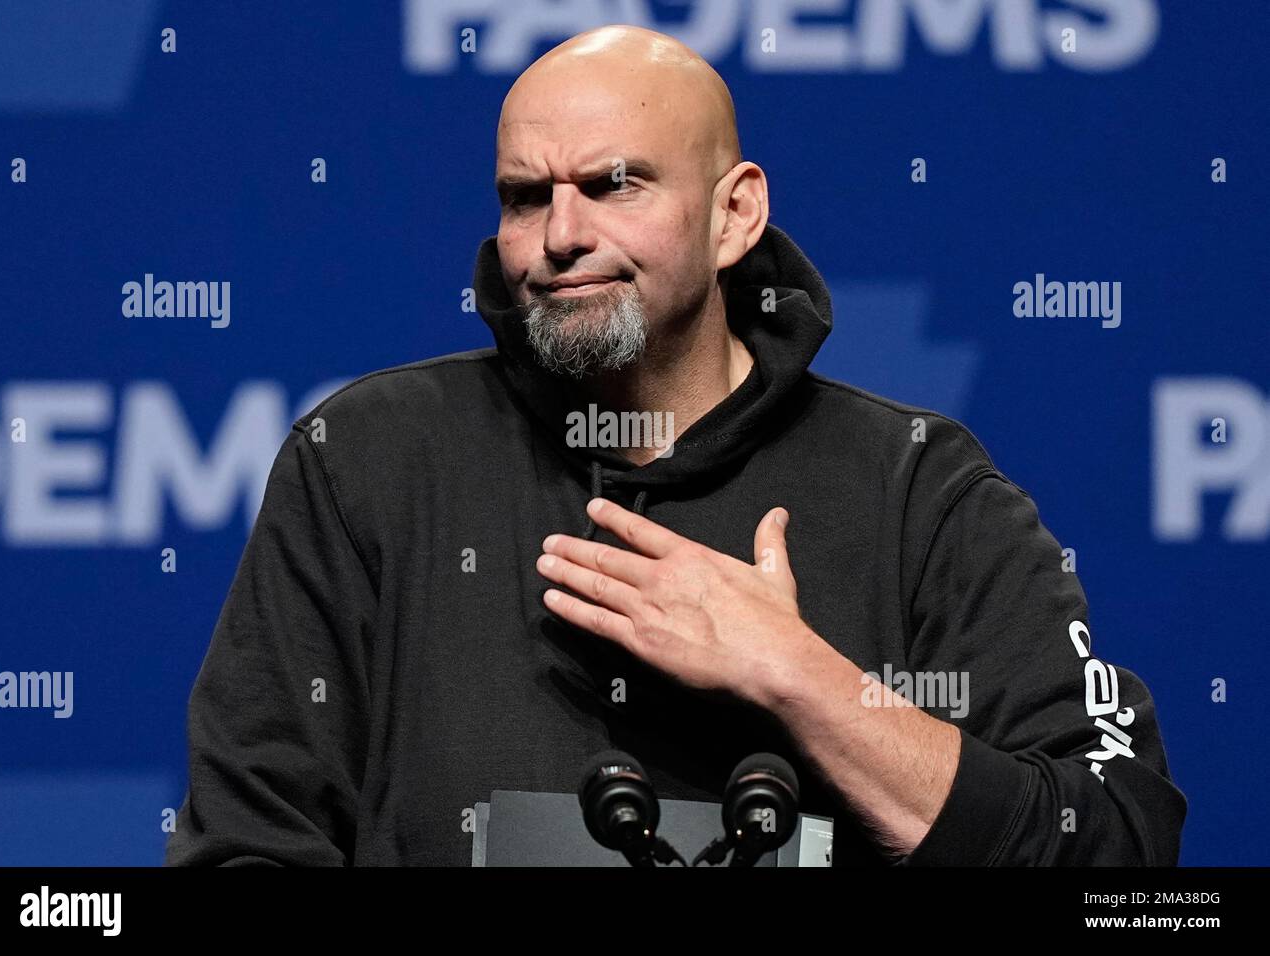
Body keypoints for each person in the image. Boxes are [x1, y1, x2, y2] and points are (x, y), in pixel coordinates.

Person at [165, 24, 1186, 866]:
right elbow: (246, 846)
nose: (558, 234)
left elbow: (1117, 851)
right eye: (526, 195)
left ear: (734, 213)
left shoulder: (916, 484)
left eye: (614, 185)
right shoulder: (367, 461)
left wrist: (802, 678)